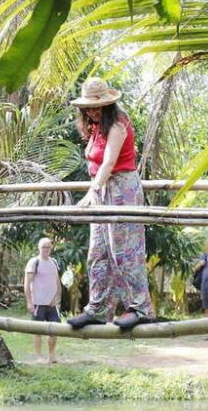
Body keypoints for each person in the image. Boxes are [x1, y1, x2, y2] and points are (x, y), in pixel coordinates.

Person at [65, 77, 154, 330]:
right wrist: (95, 191)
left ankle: (140, 309)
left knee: (125, 252)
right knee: (98, 253)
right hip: (102, 189)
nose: (92, 111)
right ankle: (97, 308)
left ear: (107, 105)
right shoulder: (95, 128)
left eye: (97, 106)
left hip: (121, 189)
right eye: (88, 108)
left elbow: (108, 163)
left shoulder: (117, 124)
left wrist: (90, 193)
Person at [24, 237, 61, 363]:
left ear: (51, 248)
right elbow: (27, 283)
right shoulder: (34, 262)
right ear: (39, 248)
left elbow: (56, 281)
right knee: (38, 331)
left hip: (51, 303)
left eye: (48, 247)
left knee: (55, 330)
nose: (46, 250)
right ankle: (39, 356)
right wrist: (29, 302)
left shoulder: (54, 262)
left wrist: (56, 298)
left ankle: (51, 355)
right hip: (37, 302)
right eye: (43, 247)